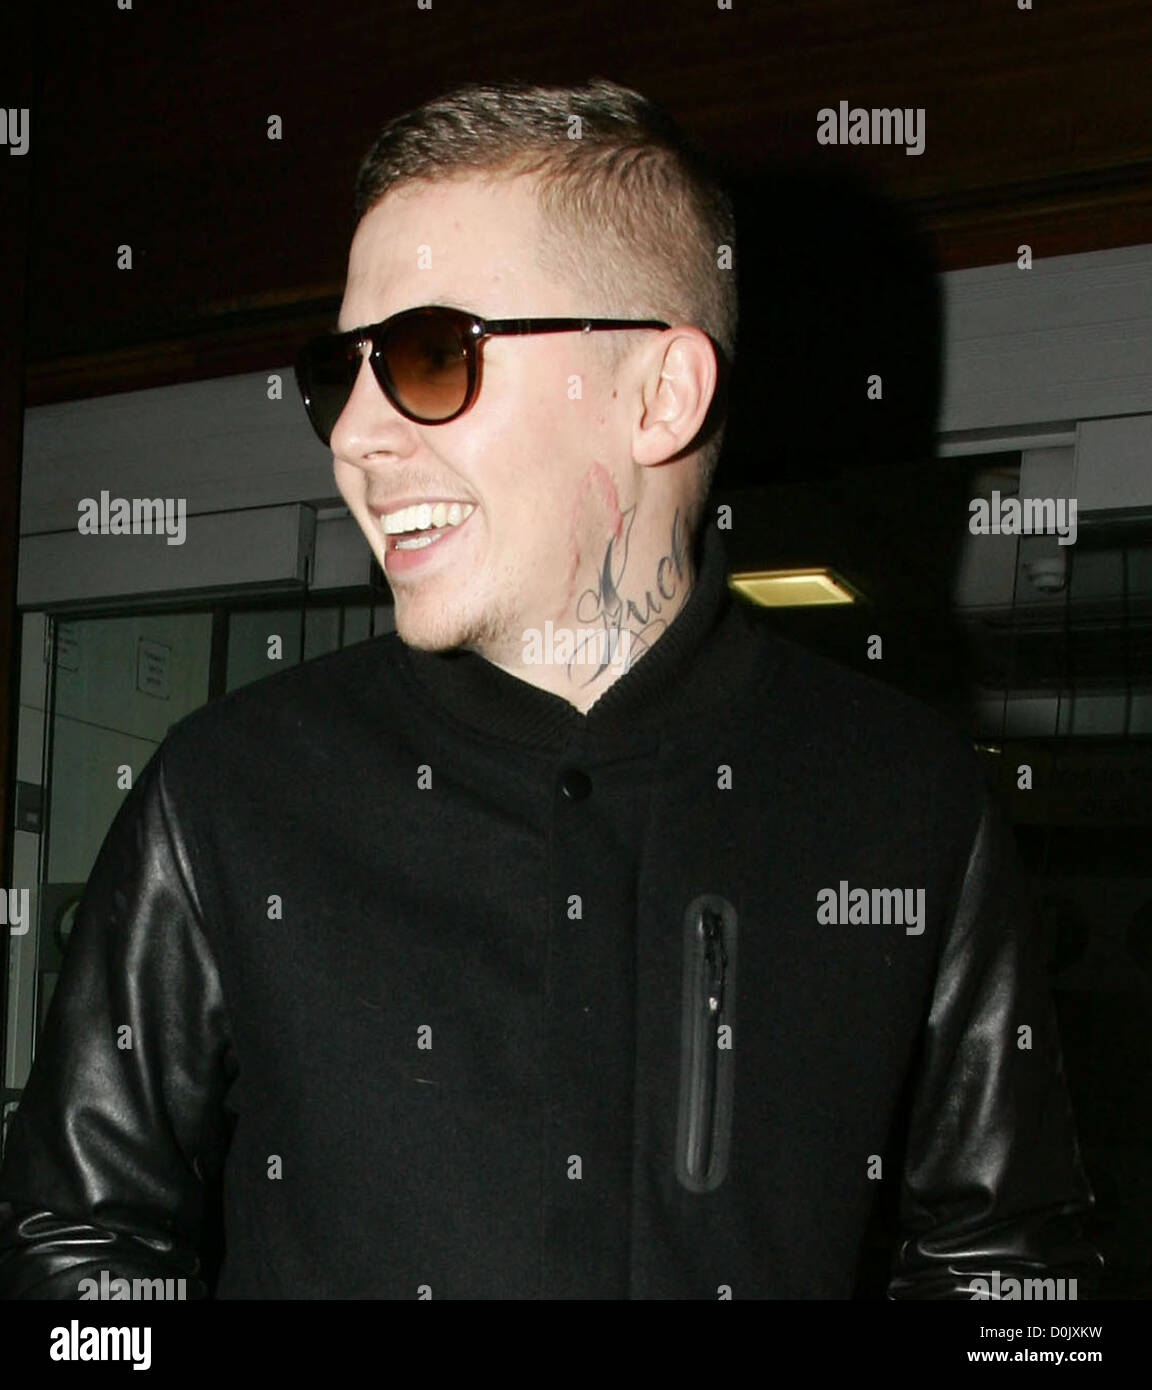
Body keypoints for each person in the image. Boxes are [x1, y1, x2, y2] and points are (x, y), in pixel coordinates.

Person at [0, 78, 1099, 1300]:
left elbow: (1005, 1266)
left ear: (660, 395)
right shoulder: (226, 792)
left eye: (430, 354)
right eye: (338, 371)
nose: (352, 434)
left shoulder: (910, 800)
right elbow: (77, 1247)